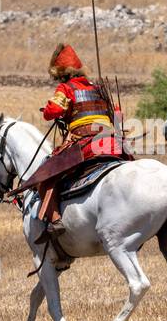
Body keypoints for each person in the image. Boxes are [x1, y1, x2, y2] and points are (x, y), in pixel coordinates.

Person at [13, 44, 125, 241]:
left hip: (85, 142)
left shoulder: (66, 88)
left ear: (62, 74)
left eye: (57, 77)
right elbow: (117, 113)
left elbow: (53, 111)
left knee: (45, 173)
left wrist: (49, 109)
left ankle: (55, 220)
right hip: (110, 142)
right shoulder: (98, 89)